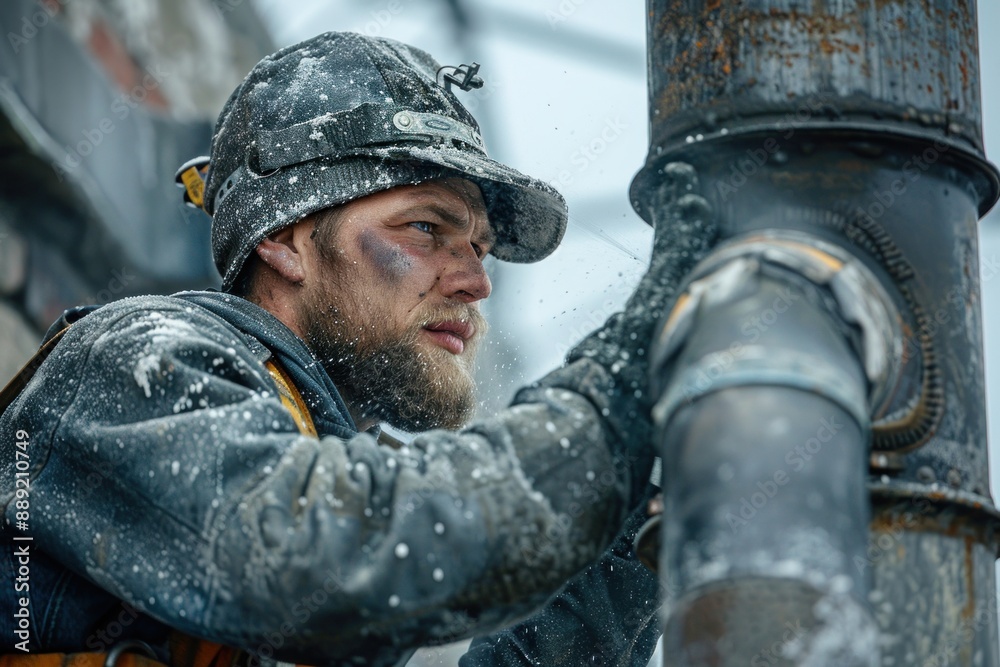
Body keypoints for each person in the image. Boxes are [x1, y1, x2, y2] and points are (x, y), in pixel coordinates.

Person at [1, 32, 713, 667]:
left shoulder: (321, 476)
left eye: (481, 249)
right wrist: (610, 399)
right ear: (283, 238)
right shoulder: (140, 360)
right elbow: (312, 556)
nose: (474, 282)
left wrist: (634, 529)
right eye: (427, 228)